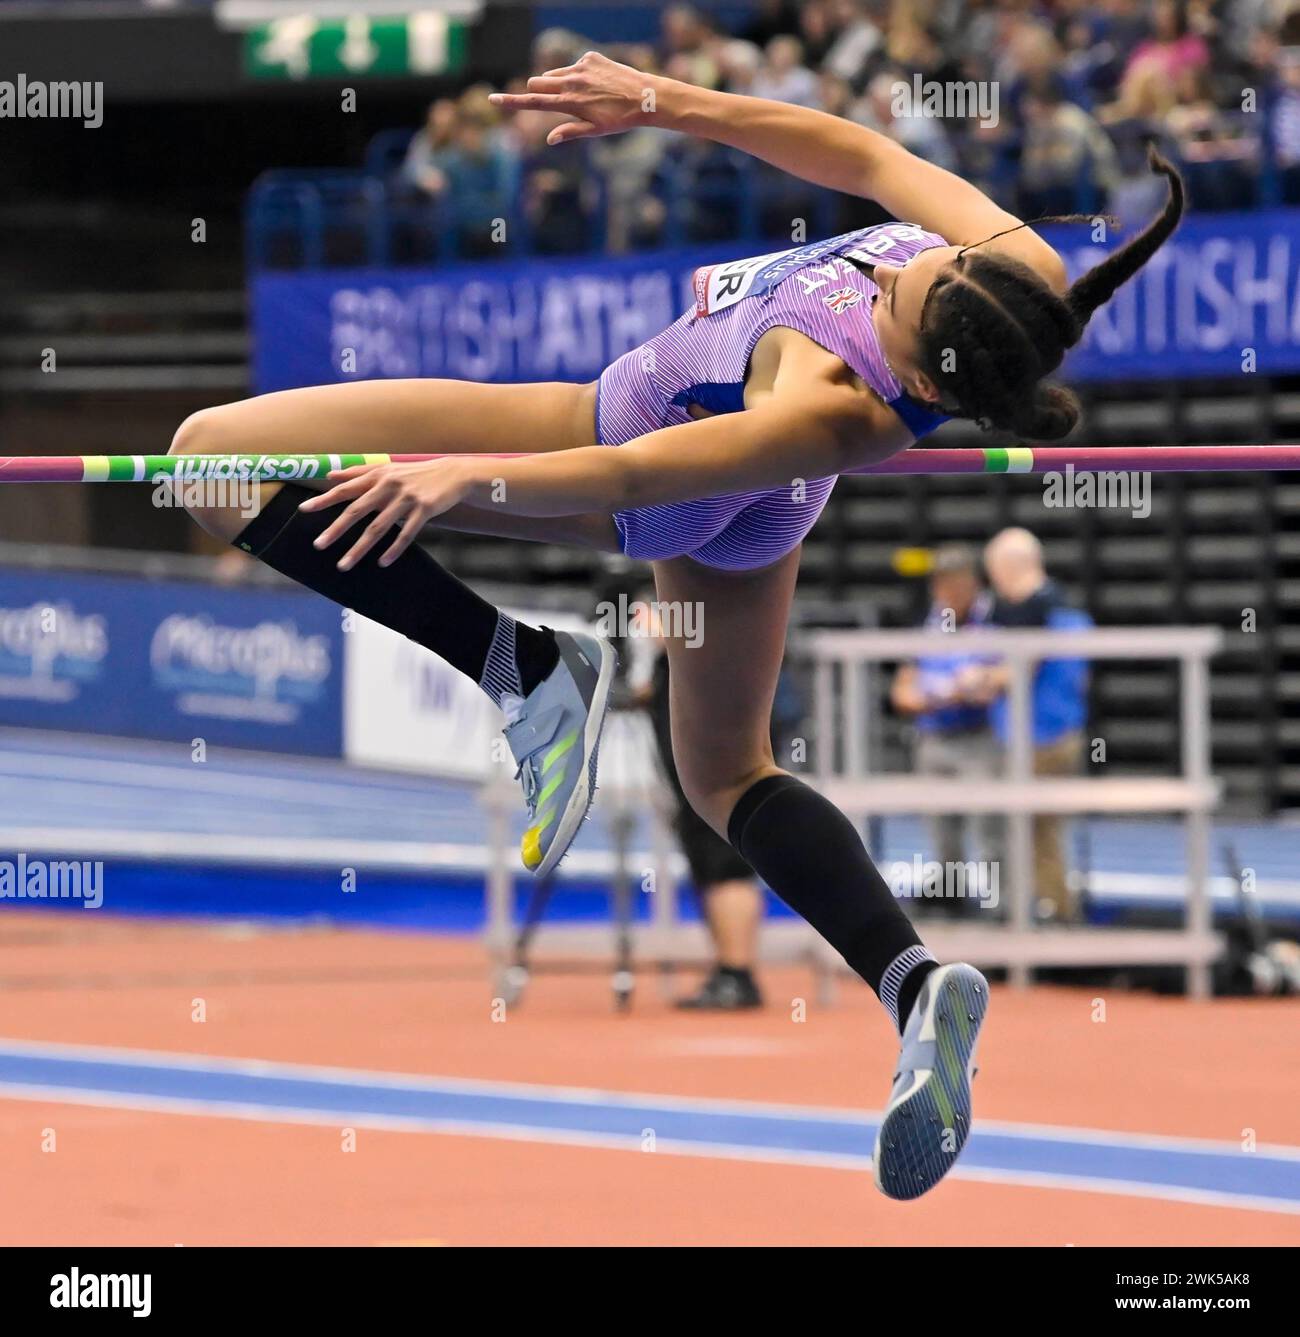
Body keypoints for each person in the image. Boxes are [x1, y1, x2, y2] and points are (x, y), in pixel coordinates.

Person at [167, 50, 1184, 1200]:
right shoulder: (1013, 273)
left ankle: (524, 663)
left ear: (925, 368)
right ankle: (911, 983)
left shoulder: (829, 402)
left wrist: (457, 480)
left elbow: (637, 476)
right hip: (732, 498)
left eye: (910, 286)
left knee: (210, 456)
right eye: (935, 258)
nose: (918, 258)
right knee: (726, 775)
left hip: (646, 457)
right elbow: (861, 151)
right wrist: (664, 102)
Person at [978, 528, 1092, 922]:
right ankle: (1048, 914)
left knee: (1036, 836)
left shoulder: (1045, 614)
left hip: (1043, 739)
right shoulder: (1058, 612)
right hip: (1044, 735)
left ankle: (1056, 918)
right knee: (1035, 835)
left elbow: (1020, 671)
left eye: (996, 574)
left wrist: (975, 681)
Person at [890, 544, 1000, 918]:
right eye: (943, 583)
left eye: (958, 582)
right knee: (941, 829)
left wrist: (954, 691)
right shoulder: (929, 624)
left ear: (973, 584)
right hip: (934, 739)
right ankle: (952, 901)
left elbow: (992, 685)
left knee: (989, 827)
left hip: (980, 740)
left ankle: (999, 909)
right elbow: (903, 693)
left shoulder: (994, 621)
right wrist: (946, 695)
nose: (950, 591)